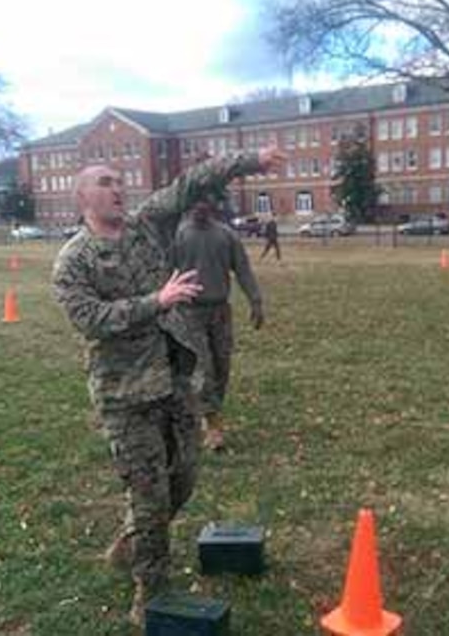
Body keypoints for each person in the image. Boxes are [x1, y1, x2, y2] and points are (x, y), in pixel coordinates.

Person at [52, 147, 286, 626]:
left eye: (119, 181)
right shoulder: (73, 260)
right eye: (104, 182)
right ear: (82, 199)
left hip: (174, 379)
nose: (117, 188)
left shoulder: (146, 224)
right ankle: (150, 596)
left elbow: (192, 181)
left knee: (184, 479)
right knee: (150, 495)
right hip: (125, 394)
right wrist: (156, 301)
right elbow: (91, 320)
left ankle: (132, 540)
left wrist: (250, 161)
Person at [173, 199, 264, 452]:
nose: (200, 206)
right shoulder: (178, 235)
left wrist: (255, 301)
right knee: (203, 369)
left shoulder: (226, 235)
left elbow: (243, 269)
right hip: (190, 313)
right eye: (196, 200)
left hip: (220, 311)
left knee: (222, 367)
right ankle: (212, 426)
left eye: (205, 200)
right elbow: (163, 273)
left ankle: (209, 413)